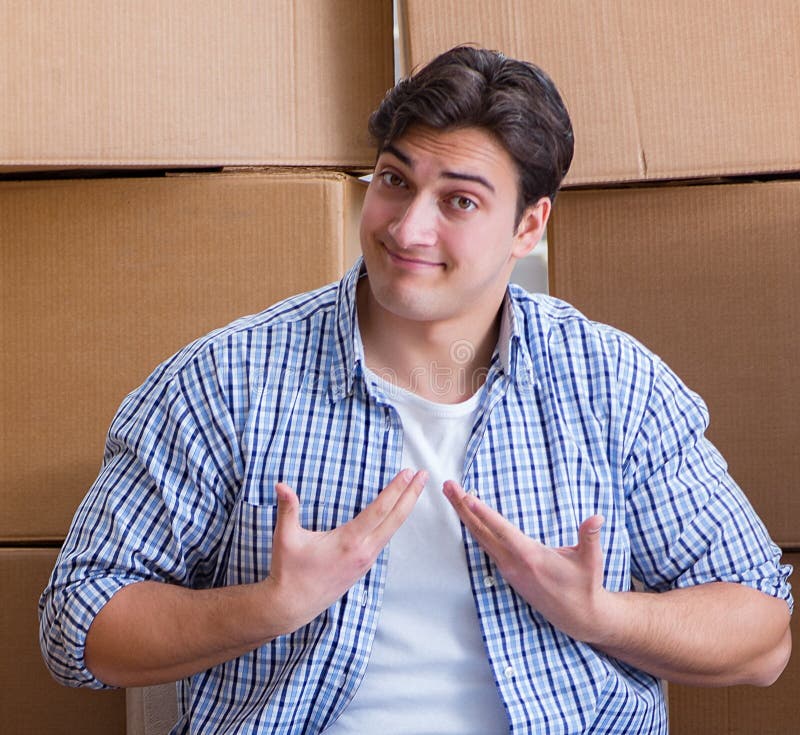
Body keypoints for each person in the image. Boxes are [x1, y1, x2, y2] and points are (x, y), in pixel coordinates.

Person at [40, 46, 792, 734]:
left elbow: (762, 637)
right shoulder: (230, 378)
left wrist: (601, 614)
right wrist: (267, 607)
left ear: (528, 226)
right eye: (395, 181)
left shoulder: (611, 384)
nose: (408, 228)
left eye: (459, 201)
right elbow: (76, 625)